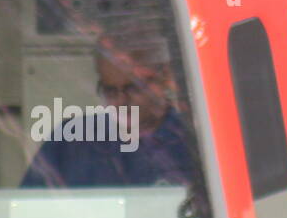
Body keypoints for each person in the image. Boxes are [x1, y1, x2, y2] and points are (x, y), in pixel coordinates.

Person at [20, 39, 197, 188]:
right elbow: (27, 210)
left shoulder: (197, 141)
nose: (120, 101)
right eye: (110, 91)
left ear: (165, 78)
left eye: (133, 88)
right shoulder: (71, 139)